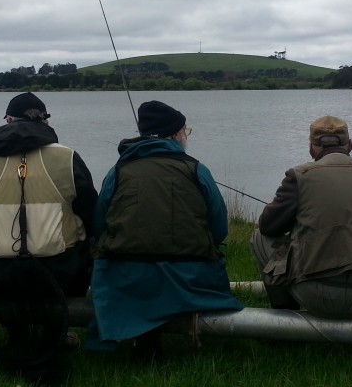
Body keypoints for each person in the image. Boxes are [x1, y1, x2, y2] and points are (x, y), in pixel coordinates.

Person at [87, 100, 242, 358]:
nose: (186, 136)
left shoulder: (118, 171)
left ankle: (139, 331)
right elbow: (220, 229)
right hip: (191, 277)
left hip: (125, 277)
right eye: (185, 131)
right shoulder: (197, 170)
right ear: (175, 134)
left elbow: (98, 225)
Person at [253, 115, 352, 318]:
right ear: (350, 145)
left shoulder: (298, 175)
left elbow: (268, 227)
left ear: (311, 149)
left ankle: (286, 316)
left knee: (259, 236)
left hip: (315, 295)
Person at [0, 92, 97, 302]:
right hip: (60, 271)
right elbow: (90, 212)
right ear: (46, 121)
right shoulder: (67, 157)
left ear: (8, 120)